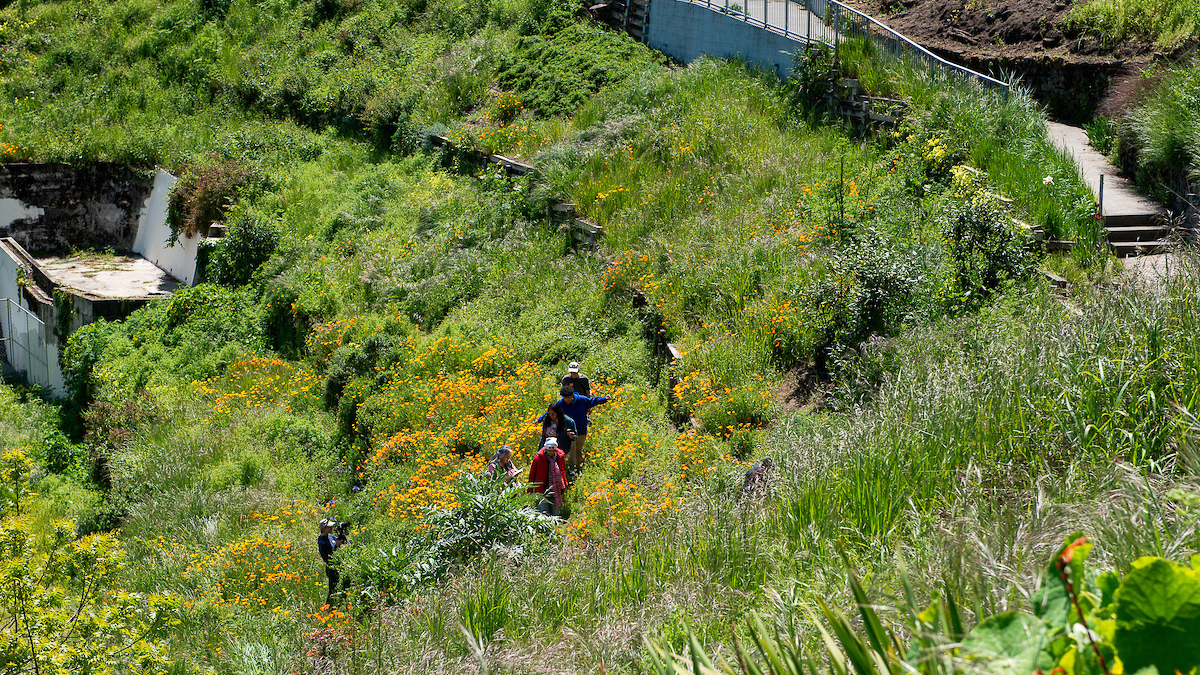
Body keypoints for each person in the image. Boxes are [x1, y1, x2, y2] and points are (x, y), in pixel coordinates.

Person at [555, 386, 610, 475]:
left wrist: (604, 399)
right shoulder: (561, 404)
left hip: (581, 429)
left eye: (568, 397)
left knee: (579, 450)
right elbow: (551, 412)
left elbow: (593, 401)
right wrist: (540, 419)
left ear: (572, 395)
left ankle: (578, 467)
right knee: (571, 449)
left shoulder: (581, 400)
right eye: (565, 398)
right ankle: (572, 468)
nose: (567, 400)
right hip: (570, 431)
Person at [527, 437, 567, 516]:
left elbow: (563, 471)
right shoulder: (538, 458)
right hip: (542, 489)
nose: (551, 452)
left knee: (555, 514)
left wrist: (564, 484)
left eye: (553, 450)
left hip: (555, 489)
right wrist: (530, 490)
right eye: (549, 450)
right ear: (546, 449)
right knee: (544, 513)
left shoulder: (560, 456)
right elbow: (532, 474)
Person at [317, 517, 348, 606]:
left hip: (338, 565)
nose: (331, 528)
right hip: (331, 568)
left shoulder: (329, 536)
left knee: (341, 585)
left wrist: (341, 534)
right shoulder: (322, 542)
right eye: (329, 527)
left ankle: (338, 604)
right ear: (324, 528)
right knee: (333, 589)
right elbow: (328, 558)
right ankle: (329, 606)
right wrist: (336, 545)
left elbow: (340, 541)